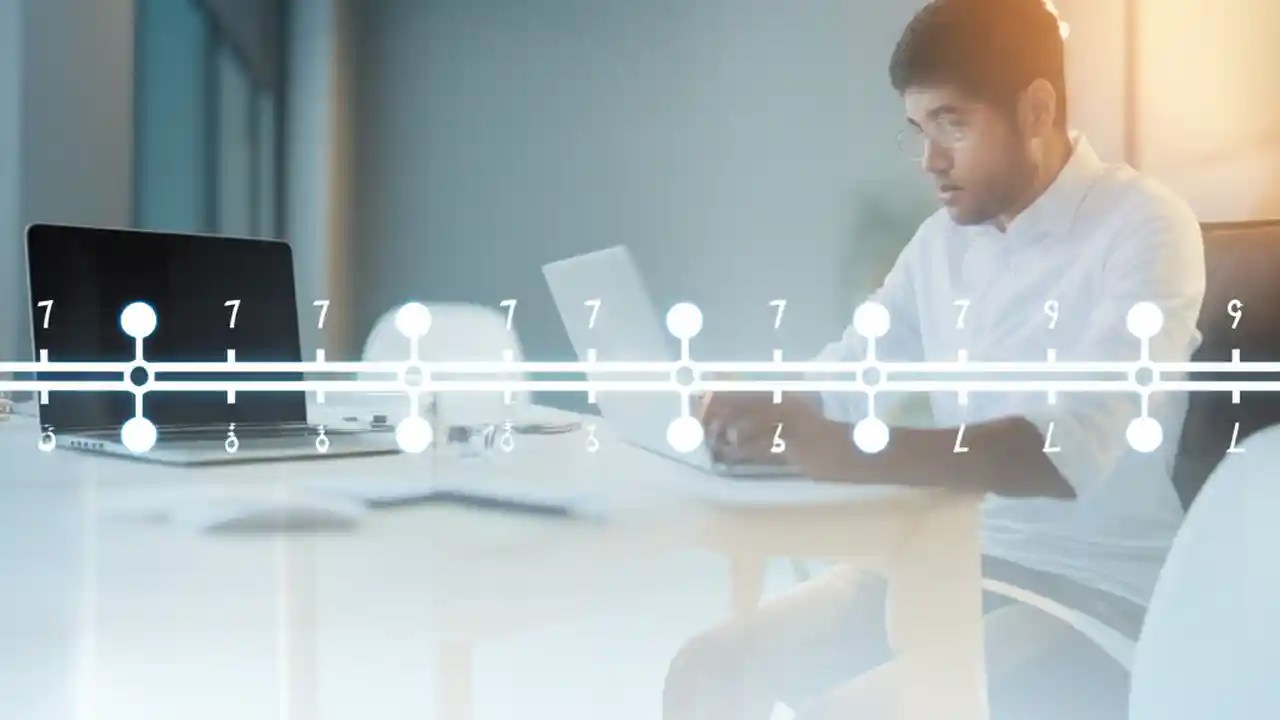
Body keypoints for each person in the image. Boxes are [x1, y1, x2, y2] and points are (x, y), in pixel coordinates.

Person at [663, 0, 1206, 718]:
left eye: (953, 124)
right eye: (920, 130)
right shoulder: (940, 245)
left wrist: (848, 451)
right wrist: (762, 406)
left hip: (1095, 596)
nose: (931, 160)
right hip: (949, 565)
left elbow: (1065, 453)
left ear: (1037, 110)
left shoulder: (1144, 225)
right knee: (706, 671)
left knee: (857, 711)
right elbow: (848, 374)